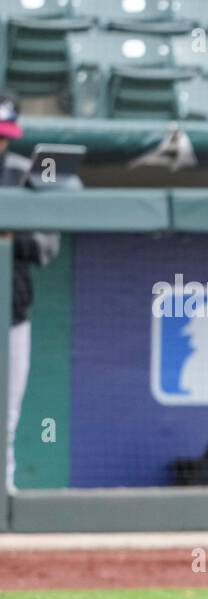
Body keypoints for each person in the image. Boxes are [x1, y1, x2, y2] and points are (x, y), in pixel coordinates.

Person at [1, 90, 61, 492]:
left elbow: (46, 247)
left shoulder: (25, 172)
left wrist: (9, 237)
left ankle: (3, 496)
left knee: (6, 416)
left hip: (11, 312)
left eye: (4, 135)